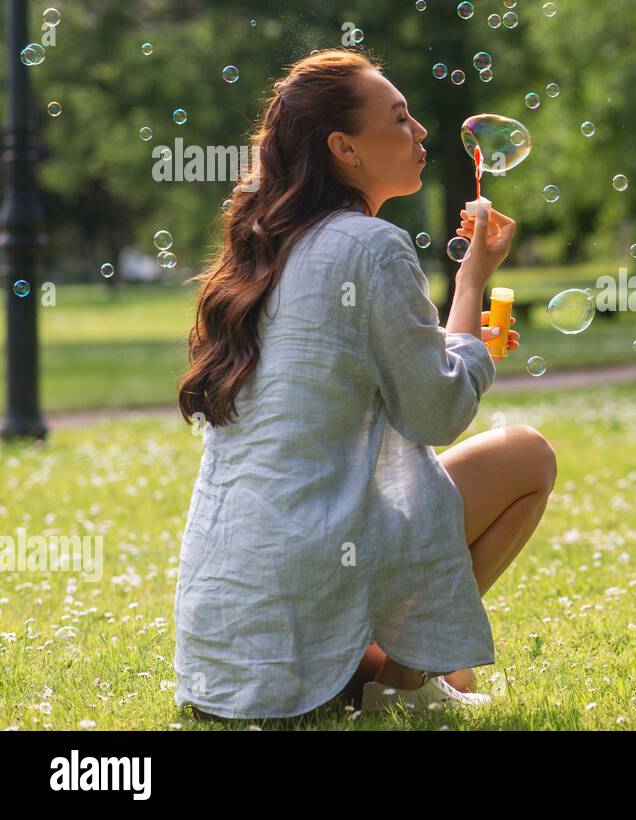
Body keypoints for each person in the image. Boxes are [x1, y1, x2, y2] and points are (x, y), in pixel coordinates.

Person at [174, 47, 556, 721]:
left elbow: (390, 373)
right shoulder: (370, 246)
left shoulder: (271, 245)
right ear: (344, 147)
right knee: (527, 456)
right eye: (401, 118)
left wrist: (467, 307)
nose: (421, 134)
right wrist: (471, 298)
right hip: (310, 581)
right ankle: (399, 678)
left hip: (226, 648)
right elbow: (436, 411)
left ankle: (380, 666)